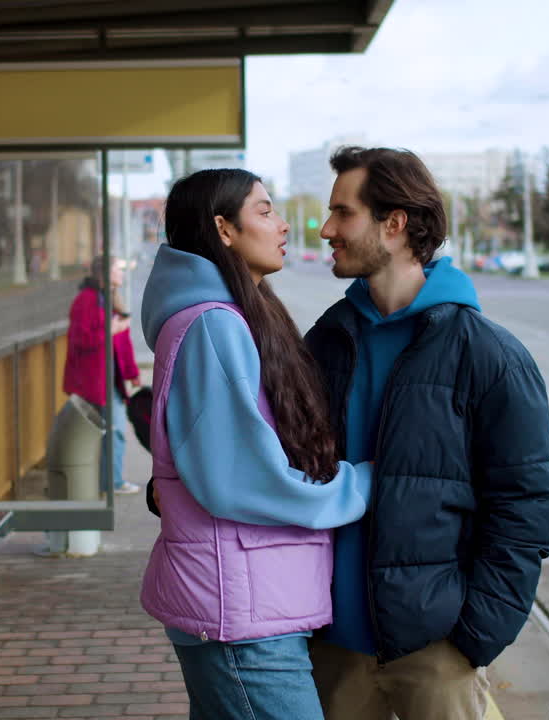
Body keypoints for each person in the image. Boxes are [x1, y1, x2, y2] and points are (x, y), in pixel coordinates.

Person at [304, 146, 549, 720]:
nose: (326, 229)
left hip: (437, 649)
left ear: (393, 225)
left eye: (342, 213)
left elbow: (526, 503)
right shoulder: (324, 343)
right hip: (331, 648)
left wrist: (474, 635)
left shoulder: (489, 355)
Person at [139, 169, 374, 720]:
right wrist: (362, 483)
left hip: (248, 604)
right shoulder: (213, 326)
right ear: (223, 229)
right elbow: (241, 478)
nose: (284, 224)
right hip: (240, 618)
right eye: (265, 211)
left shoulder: (226, 318)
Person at [62, 255, 142, 494]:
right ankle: (110, 482)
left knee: (110, 431)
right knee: (109, 431)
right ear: (105, 273)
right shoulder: (86, 301)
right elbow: (80, 340)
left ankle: (107, 481)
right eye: (119, 268)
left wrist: (132, 372)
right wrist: (111, 330)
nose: (122, 273)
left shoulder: (111, 299)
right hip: (93, 381)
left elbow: (122, 343)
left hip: (109, 380)